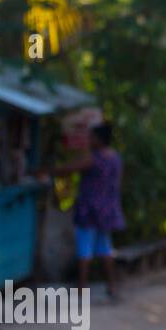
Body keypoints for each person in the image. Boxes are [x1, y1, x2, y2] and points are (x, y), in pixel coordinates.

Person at [51, 121, 125, 301]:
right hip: (107, 210)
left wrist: (45, 171)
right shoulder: (114, 158)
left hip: (89, 210)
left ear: (99, 139)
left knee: (85, 251)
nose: (89, 140)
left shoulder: (95, 158)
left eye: (92, 137)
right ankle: (112, 288)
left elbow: (68, 169)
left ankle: (82, 290)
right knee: (105, 249)